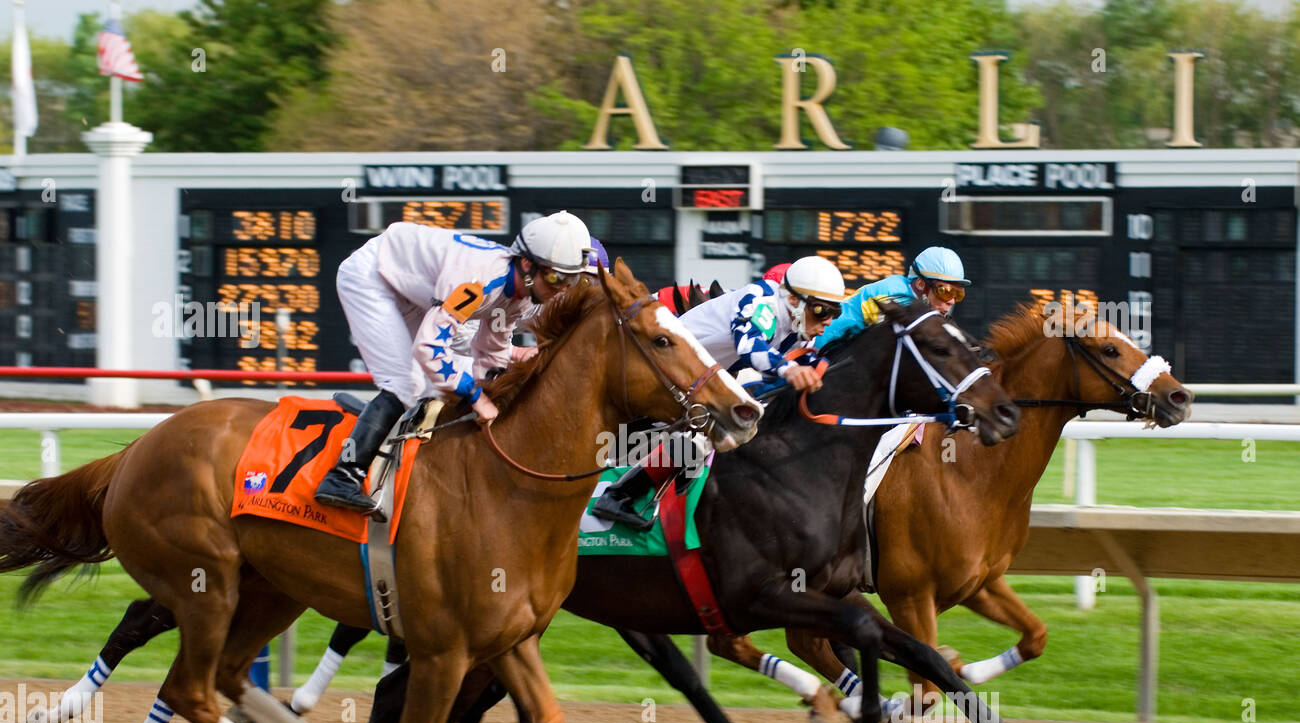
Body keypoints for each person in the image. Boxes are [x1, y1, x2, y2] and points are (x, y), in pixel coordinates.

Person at [314, 211, 594, 514]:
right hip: (373, 276)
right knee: (404, 383)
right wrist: (475, 396)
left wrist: (496, 396)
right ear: (527, 264)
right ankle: (342, 476)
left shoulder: (521, 295)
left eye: (572, 279)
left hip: (414, 288)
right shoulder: (479, 283)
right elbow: (429, 348)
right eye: (556, 277)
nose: (562, 288)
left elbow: (491, 349)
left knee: (429, 388)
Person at [591, 254, 847, 531]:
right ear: (795, 300)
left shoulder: (795, 329)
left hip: (691, 384)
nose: (829, 321)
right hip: (660, 372)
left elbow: (772, 379)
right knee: (706, 437)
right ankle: (618, 496)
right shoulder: (761, 300)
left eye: (835, 313)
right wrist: (789, 370)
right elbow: (749, 346)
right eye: (822, 311)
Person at [816, 246, 969, 351]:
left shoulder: (911, 297)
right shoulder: (895, 297)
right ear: (921, 284)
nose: (952, 301)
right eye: (945, 291)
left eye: (957, 294)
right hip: (822, 344)